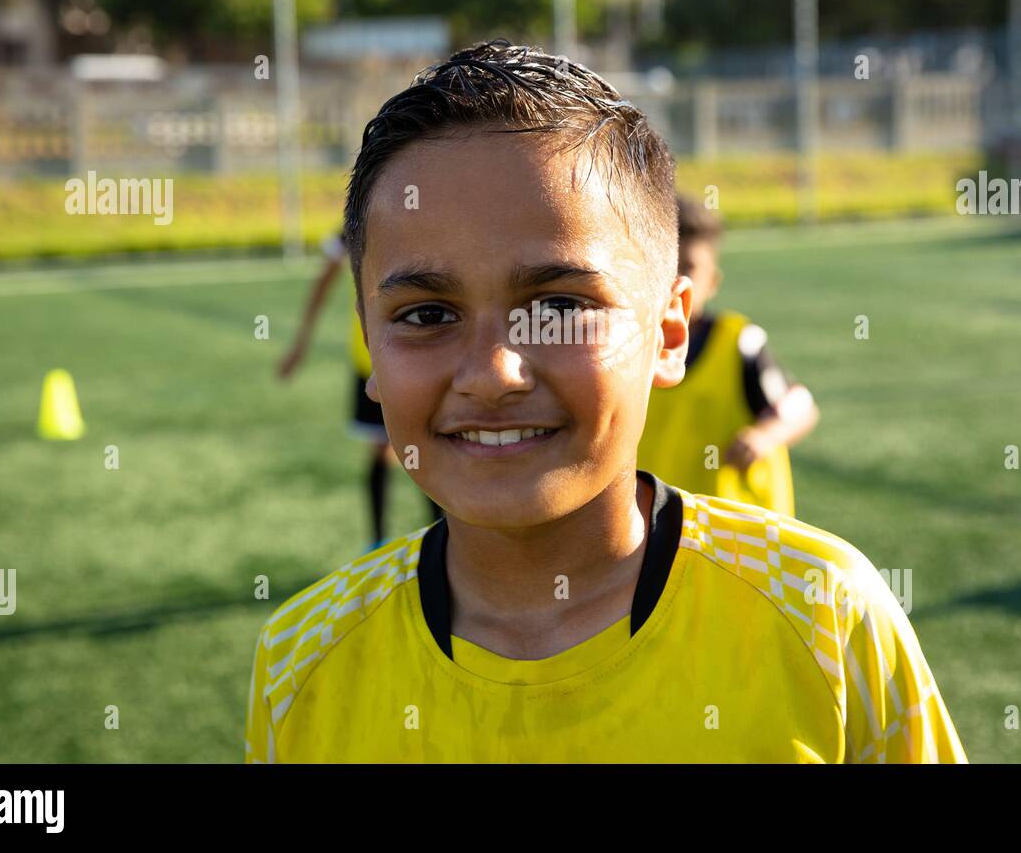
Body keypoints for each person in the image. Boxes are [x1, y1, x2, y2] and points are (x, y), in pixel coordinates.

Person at [246, 41, 966, 763]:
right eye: (427, 315)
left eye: (558, 306)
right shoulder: (302, 663)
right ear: (369, 344)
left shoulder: (824, 617)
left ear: (670, 333)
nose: (493, 374)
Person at [637, 196, 819, 517]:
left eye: (689, 268)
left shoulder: (738, 342)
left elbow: (800, 404)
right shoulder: (624, 349)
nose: (676, 281)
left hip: (740, 542)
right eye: (666, 267)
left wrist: (766, 434)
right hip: (656, 535)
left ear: (713, 282)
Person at [278, 232, 441, 549]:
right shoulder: (352, 228)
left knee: (427, 446)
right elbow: (323, 284)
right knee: (384, 448)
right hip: (372, 360)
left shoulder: (421, 220)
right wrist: (300, 343)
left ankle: (444, 536)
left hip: (418, 357)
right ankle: (377, 541)